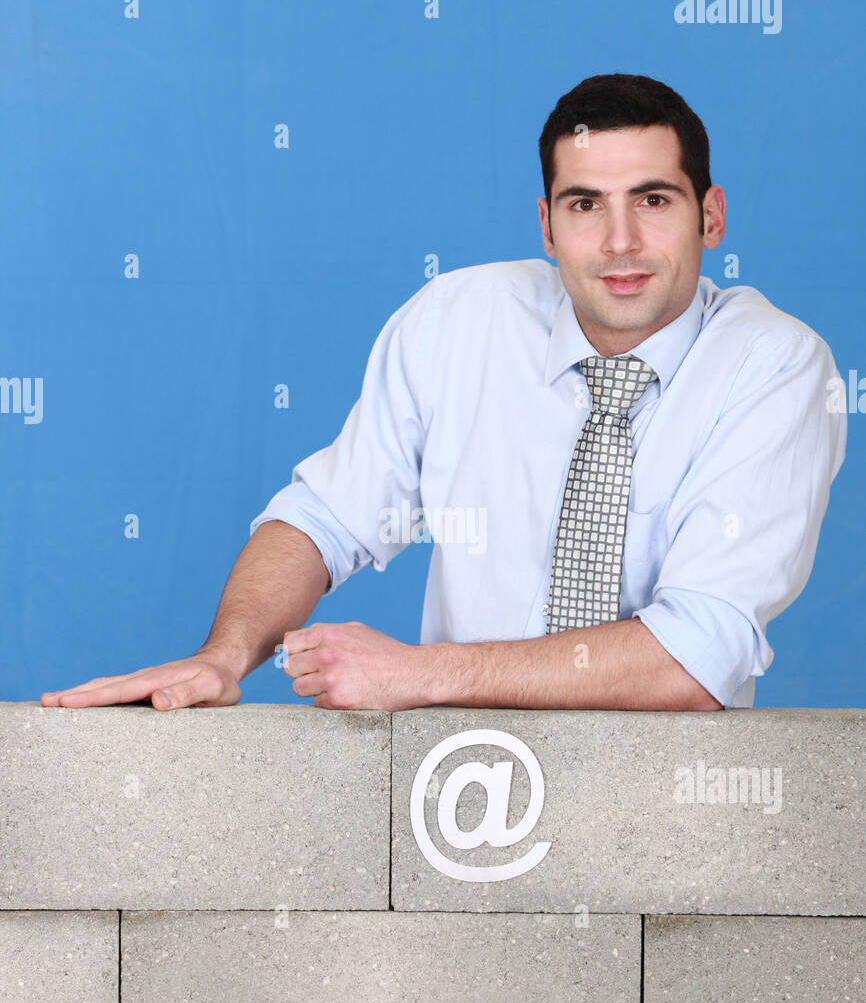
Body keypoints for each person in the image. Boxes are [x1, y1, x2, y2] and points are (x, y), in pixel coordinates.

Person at [41, 73, 846, 715]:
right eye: (584, 206)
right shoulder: (459, 319)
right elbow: (324, 518)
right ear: (546, 226)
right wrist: (226, 657)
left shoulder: (775, 365)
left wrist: (418, 673)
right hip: (461, 793)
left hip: (666, 808)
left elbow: (695, 657)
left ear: (712, 217)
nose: (620, 242)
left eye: (653, 200)